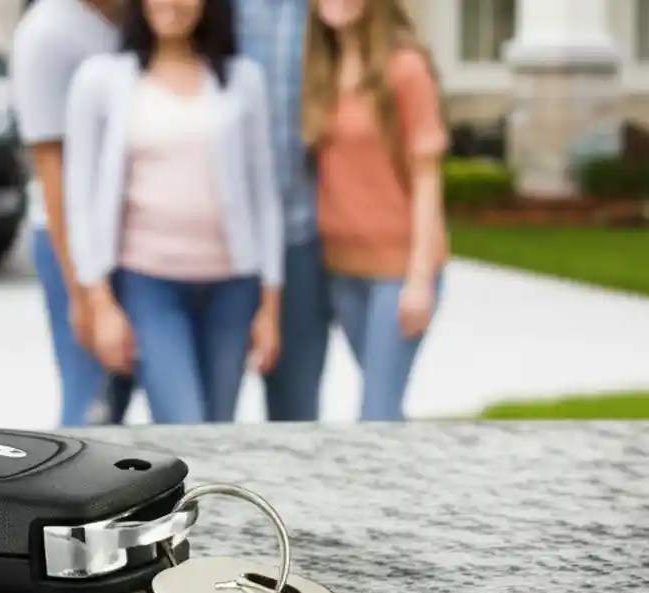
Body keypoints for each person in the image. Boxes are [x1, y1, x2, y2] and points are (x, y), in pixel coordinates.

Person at [63, 0, 284, 424]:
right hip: (148, 283)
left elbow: (264, 197)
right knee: (184, 422)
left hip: (232, 288)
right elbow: (81, 198)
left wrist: (270, 306)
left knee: (220, 427)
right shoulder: (102, 80)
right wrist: (100, 303)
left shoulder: (244, 80)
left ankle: (208, 496)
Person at [301, 0, 448, 421]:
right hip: (343, 271)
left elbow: (426, 176)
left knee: (376, 414)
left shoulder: (405, 68)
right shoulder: (320, 71)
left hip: (397, 272)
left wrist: (419, 278)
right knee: (383, 406)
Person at [9, 0, 138, 428]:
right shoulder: (47, 34)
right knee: (90, 402)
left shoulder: (131, 16)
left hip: (133, 236)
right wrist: (81, 292)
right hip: (68, 239)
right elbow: (52, 171)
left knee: (118, 393)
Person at [233, 0, 332, 423]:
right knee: (203, 410)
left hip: (300, 234)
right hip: (218, 246)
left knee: (296, 409)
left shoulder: (329, 9)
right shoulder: (214, 9)